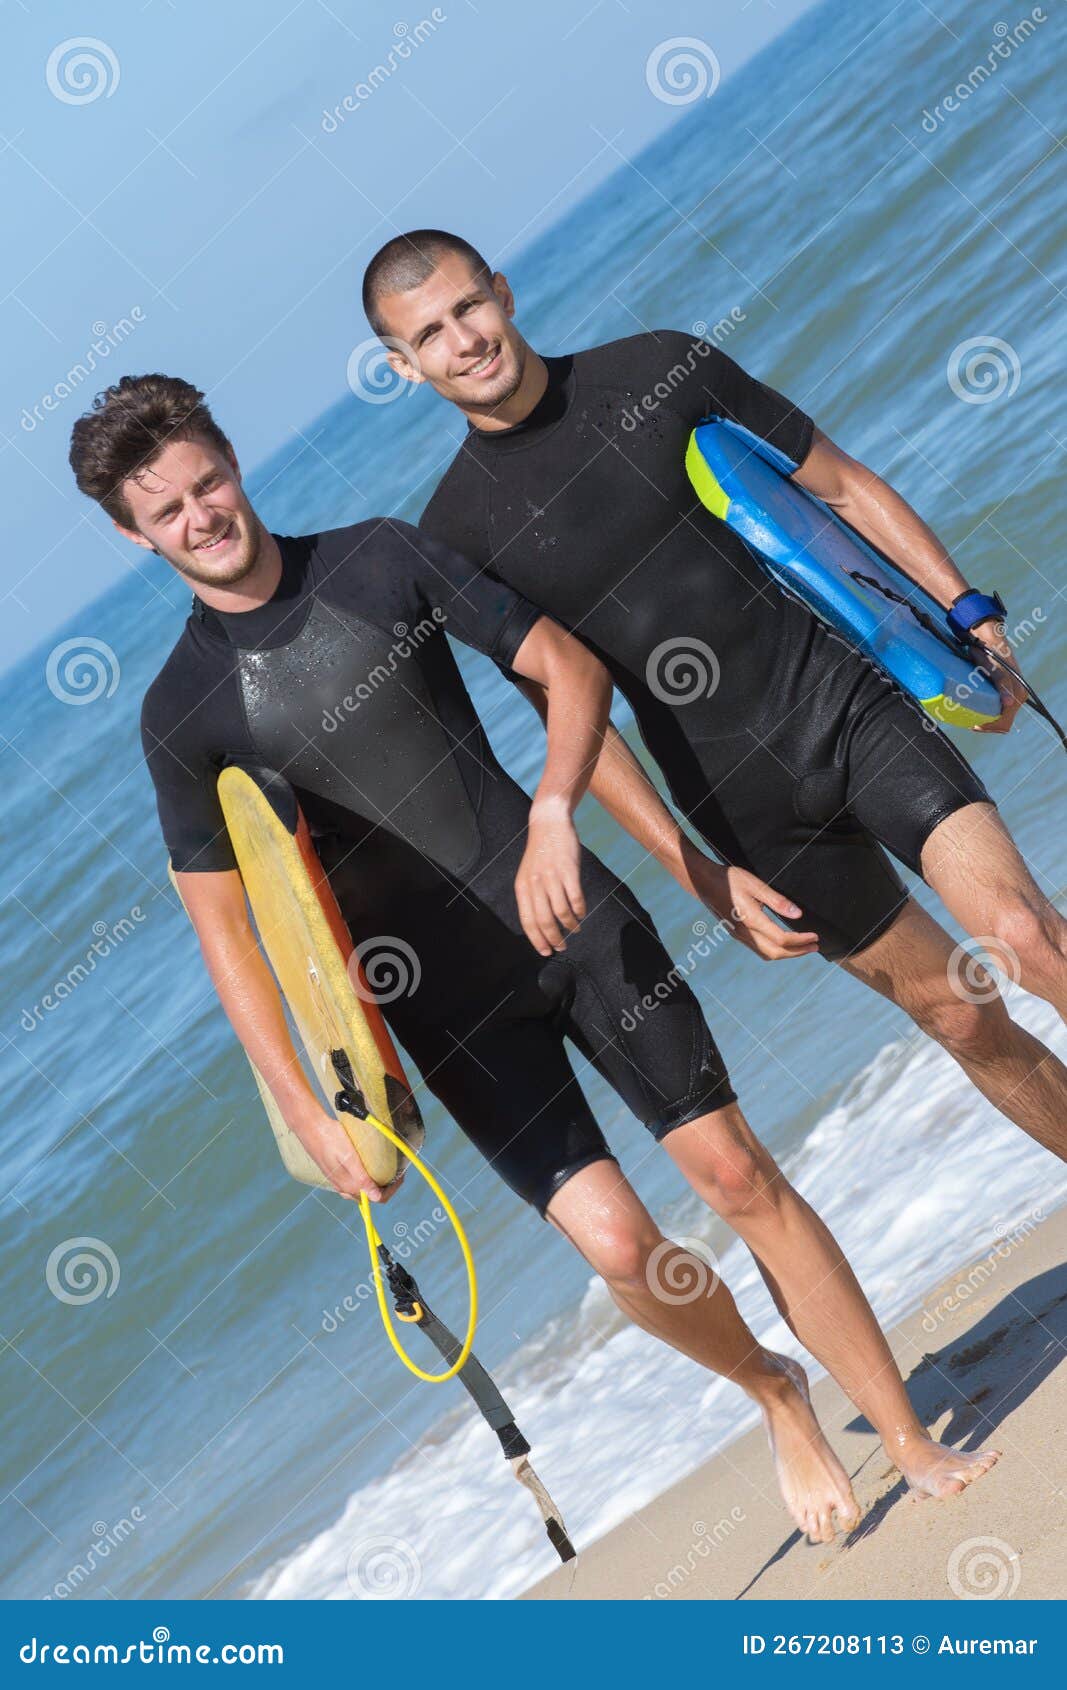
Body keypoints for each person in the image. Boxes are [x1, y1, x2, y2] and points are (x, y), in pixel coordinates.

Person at [69, 375, 1000, 1544]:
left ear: (232, 461)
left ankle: (907, 1440)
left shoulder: (379, 559)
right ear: (133, 533)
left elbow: (570, 668)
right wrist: (312, 1113)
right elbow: (230, 933)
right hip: (444, 1005)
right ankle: (774, 1389)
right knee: (619, 1249)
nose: (202, 514)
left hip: (574, 918)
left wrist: (558, 808)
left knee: (733, 1174)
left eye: (208, 481)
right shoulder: (183, 710)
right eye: (168, 511)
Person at [359, 228, 1067, 1165]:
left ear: (503, 291)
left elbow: (844, 488)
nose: (464, 340)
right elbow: (575, 723)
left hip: (839, 702)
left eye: (468, 306)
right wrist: (693, 870)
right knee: (959, 1016)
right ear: (402, 365)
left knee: (1021, 934)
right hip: (739, 800)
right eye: (431, 333)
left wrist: (965, 610)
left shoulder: (658, 369)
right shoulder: (455, 532)